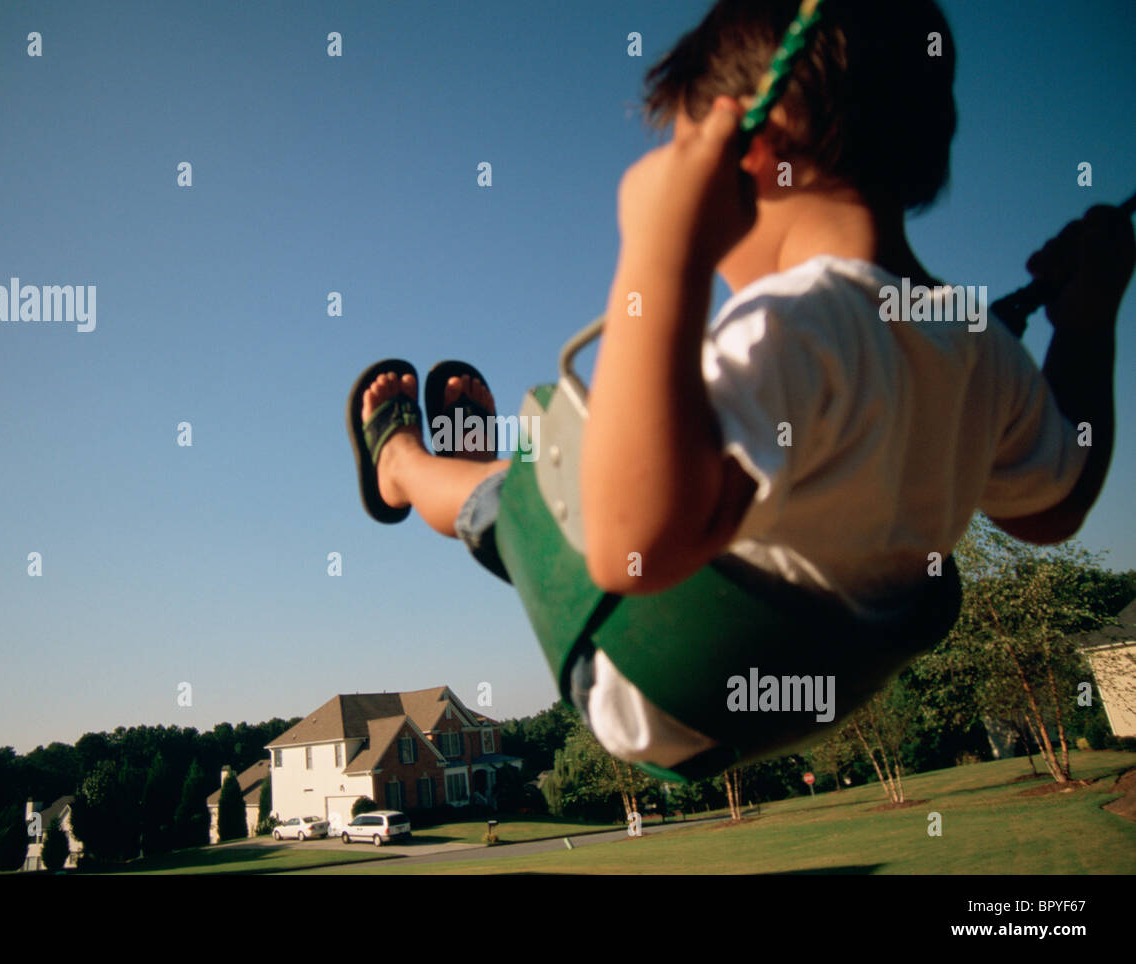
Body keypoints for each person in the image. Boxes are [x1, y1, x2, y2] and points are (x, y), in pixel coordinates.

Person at [345, 0, 1133, 770]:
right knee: (556, 471)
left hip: (649, 676)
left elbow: (630, 547)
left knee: (522, 478)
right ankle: (461, 467)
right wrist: (1088, 321)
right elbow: (1055, 506)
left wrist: (661, 251)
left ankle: (404, 465)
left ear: (748, 153)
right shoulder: (979, 345)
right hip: (806, 691)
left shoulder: (795, 327)